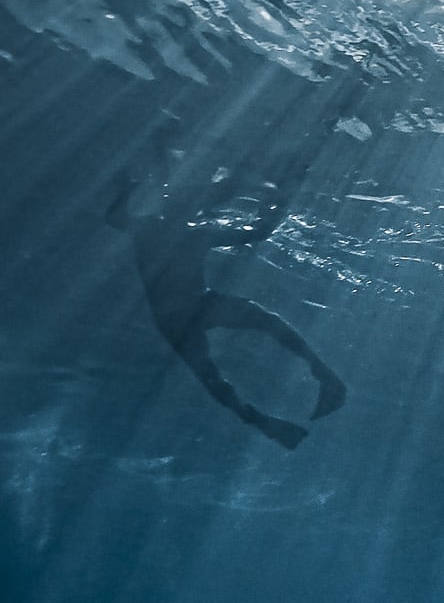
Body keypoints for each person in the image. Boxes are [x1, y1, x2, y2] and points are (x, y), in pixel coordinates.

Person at [105, 171, 348, 449]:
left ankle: (319, 381)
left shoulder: (176, 231)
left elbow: (114, 218)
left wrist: (125, 189)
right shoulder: (173, 231)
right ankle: (282, 405)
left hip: (186, 309)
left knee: (250, 336)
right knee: (221, 363)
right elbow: (259, 231)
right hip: (183, 313)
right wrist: (276, 202)